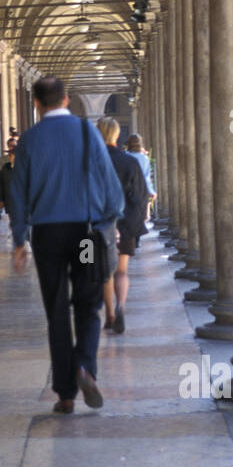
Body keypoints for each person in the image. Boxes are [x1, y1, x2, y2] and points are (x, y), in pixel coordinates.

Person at [10, 77, 124, 414]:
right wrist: (111, 219)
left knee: (56, 310)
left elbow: (17, 193)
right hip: (86, 235)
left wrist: (19, 239)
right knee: (88, 304)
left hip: (47, 237)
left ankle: (65, 394)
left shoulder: (28, 141)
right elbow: (107, 180)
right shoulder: (88, 133)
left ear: (36, 103)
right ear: (66, 99)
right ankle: (85, 366)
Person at [101, 119, 148, 333]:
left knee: (105, 272)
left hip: (101, 223)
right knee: (121, 270)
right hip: (126, 221)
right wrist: (137, 222)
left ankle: (110, 315)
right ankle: (121, 305)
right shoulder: (130, 162)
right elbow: (140, 194)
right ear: (117, 135)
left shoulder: (92, 162)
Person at [126, 134, 155, 225]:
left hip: (127, 190)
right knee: (139, 220)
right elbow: (146, 177)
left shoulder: (125, 156)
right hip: (140, 191)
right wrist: (151, 191)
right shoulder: (144, 158)